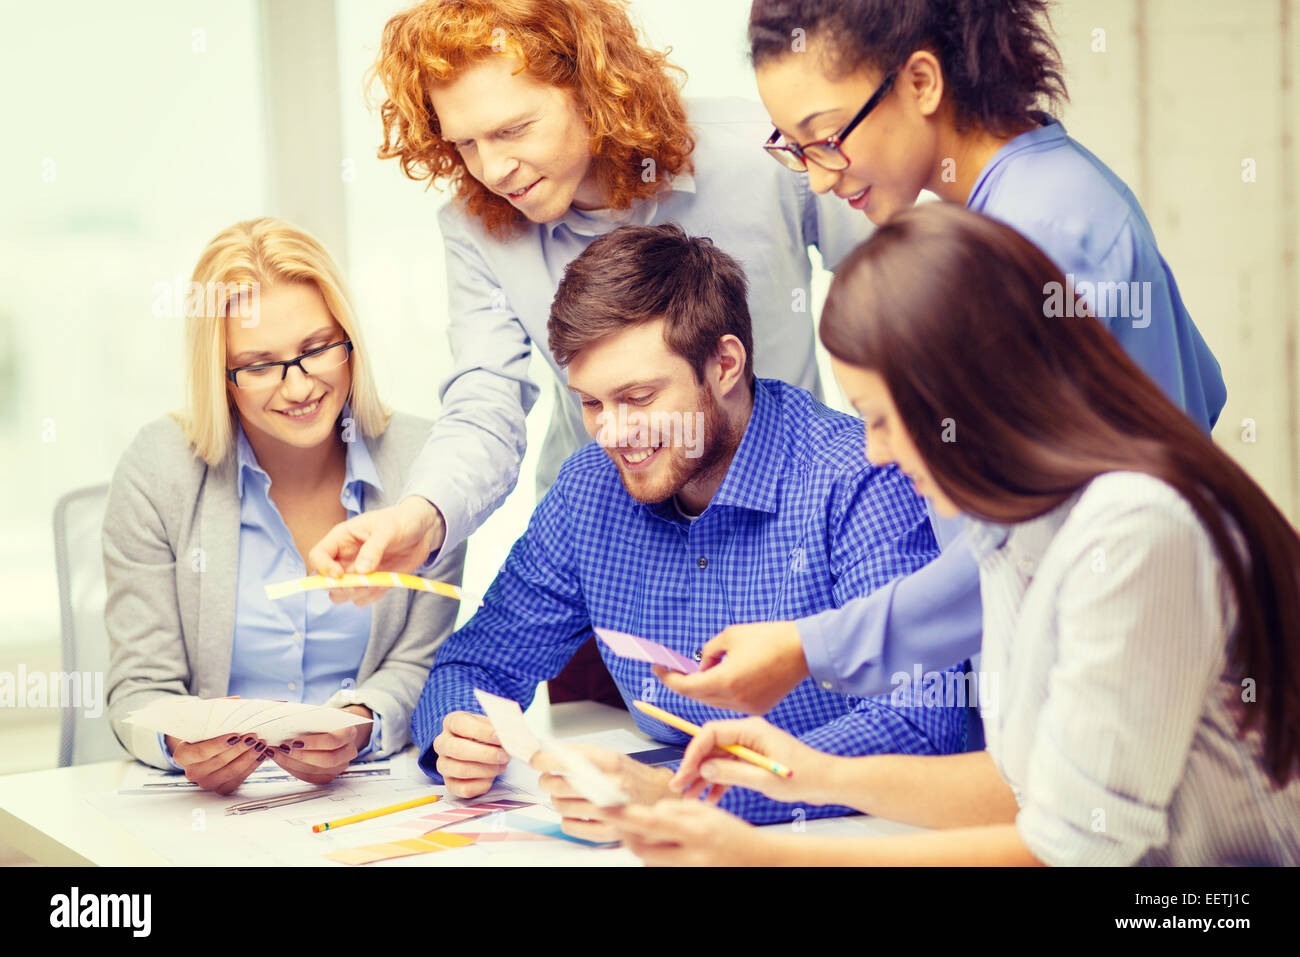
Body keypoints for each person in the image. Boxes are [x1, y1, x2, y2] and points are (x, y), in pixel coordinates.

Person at [606, 203, 1300, 866]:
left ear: (970, 395)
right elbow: (1025, 788)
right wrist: (804, 773)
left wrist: (765, 855)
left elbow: (1077, 847)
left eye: (883, 417)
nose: (875, 451)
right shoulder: (1013, 532)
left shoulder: (1134, 530)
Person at [659, 0, 1230, 723]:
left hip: (1113, 697)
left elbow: (1013, 550)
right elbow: (1201, 389)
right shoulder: (1050, 192)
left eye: (827, 138)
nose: (823, 179)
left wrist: (811, 646)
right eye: (794, 148)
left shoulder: (1035, 238)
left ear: (922, 82)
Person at [307, 0, 873, 691]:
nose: (493, 168)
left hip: (790, 536)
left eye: (514, 129)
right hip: (610, 571)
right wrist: (419, 517)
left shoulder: (766, 153)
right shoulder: (477, 229)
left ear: (593, 88)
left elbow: (896, 297)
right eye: (464, 144)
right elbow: (486, 403)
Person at [410, 223, 966, 841]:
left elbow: (920, 724)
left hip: (858, 834)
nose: (611, 433)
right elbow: (474, 664)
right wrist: (457, 731)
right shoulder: (589, 487)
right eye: (591, 403)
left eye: (639, 396)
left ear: (724, 363)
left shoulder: (858, 477)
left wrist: (696, 794)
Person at [103, 218, 465, 793]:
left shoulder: (428, 467)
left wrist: (362, 724)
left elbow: (420, 663)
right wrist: (178, 744)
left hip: (367, 792)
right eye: (259, 365)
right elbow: (140, 685)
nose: (298, 388)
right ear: (220, 377)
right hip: (205, 812)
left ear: (349, 344)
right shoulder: (158, 469)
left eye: (318, 349)